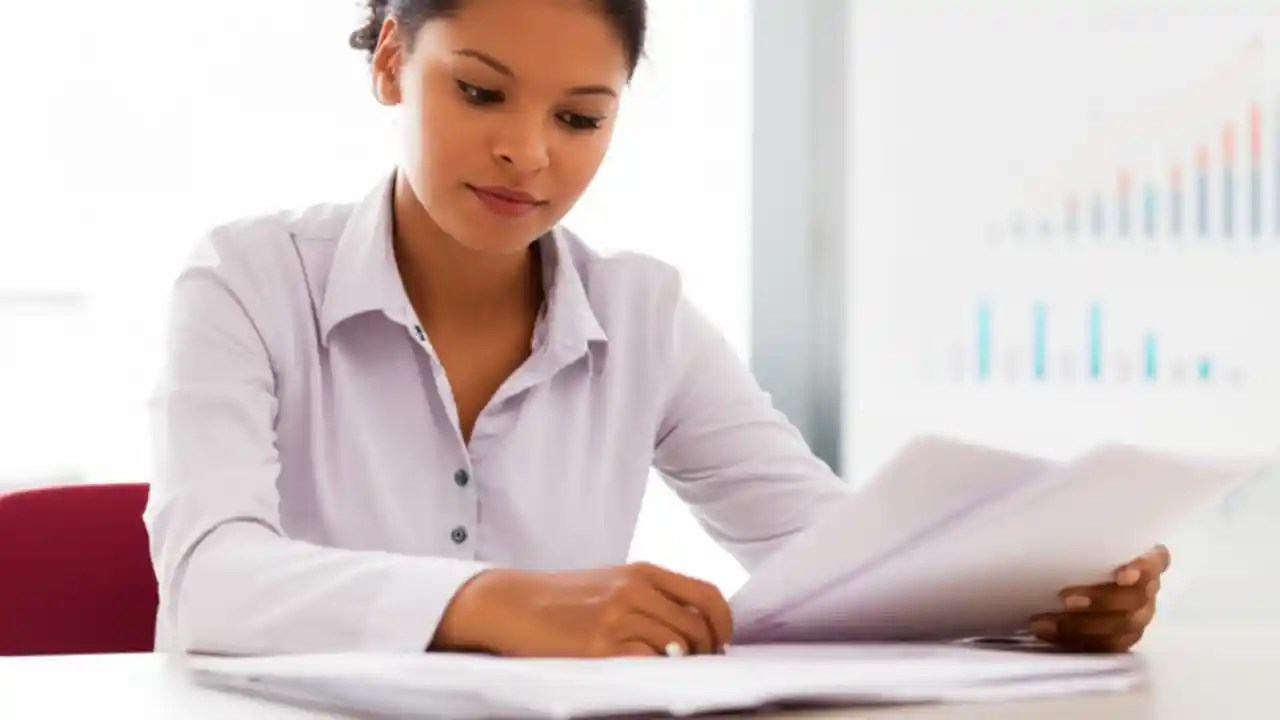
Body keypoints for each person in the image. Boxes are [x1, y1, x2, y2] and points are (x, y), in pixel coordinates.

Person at [143, 0, 1169, 658]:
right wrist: (494, 604)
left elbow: (836, 561)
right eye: (480, 92)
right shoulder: (246, 281)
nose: (526, 153)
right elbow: (210, 580)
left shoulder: (643, 317)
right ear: (392, 62)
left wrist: (1040, 604)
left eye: (579, 118)